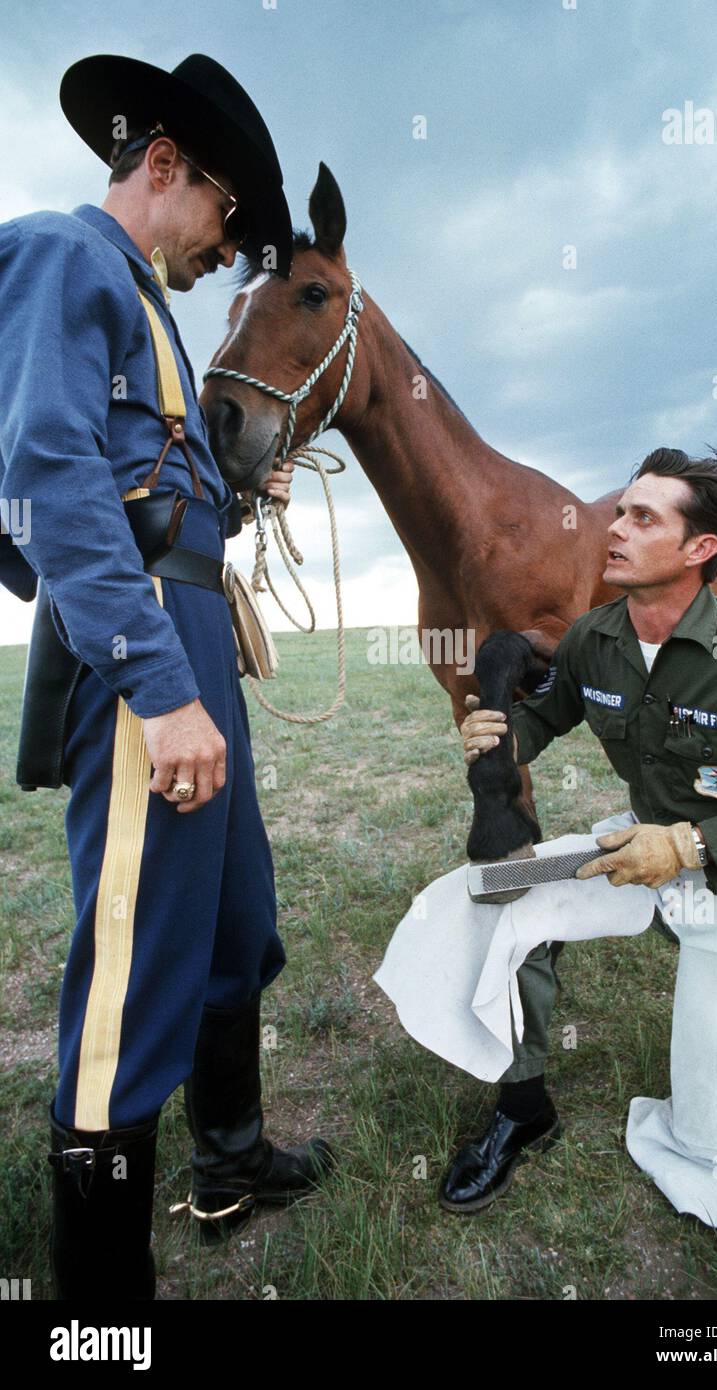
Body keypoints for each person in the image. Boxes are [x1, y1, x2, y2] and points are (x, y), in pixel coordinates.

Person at [0, 53, 333, 1301]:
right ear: (162, 168)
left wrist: (239, 499)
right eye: (226, 219)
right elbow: (46, 479)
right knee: (127, 989)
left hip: (191, 632)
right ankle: (97, 1310)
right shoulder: (64, 256)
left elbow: (160, 502)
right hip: (144, 649)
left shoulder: (154, 318)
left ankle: (230, 1163)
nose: (225, 251)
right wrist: (155, 685)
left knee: (233, 927)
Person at [445, 447, 717, 1227]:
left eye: (640, 517)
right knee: (506, 899)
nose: (612, 529)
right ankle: (523, 1107)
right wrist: (498, 734)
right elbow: (544, 716)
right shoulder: (594, 638)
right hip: (637, 851)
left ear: (698, 551)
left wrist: (689, 848)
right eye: (619, 511)